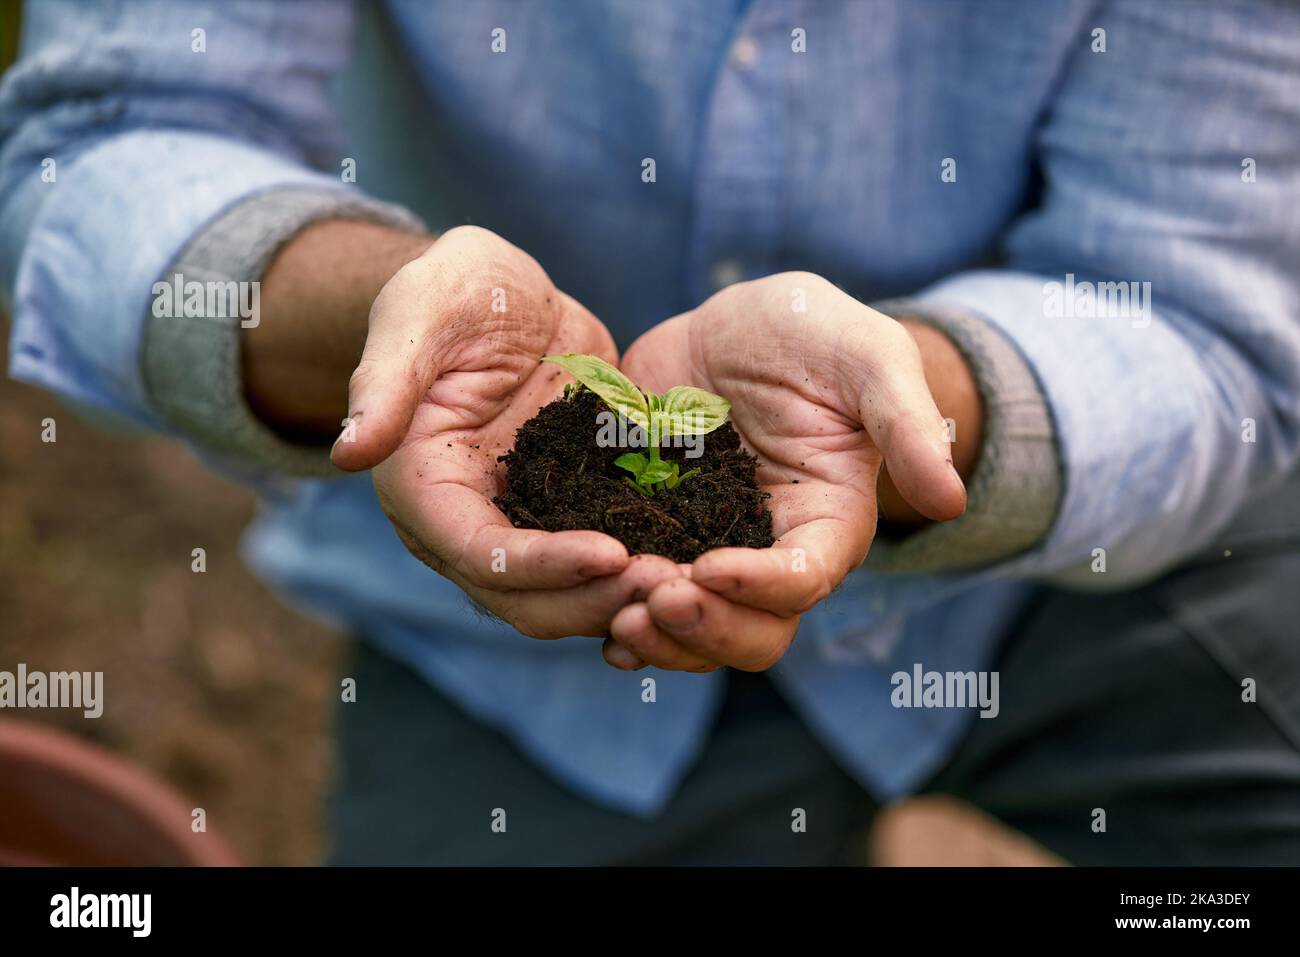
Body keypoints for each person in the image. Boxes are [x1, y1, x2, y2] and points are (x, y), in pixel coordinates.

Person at [2, 1, 1298, 865]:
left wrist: (910, 403)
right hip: (510, 624)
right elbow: (109, 137)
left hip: (1084, 544)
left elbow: (1201, 297)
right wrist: (371, 320)